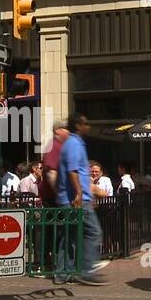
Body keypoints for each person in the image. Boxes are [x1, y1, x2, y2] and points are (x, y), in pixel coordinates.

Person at [55, 113, 108, 286]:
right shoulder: (73, 144)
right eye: (85, 123)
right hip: (75, 200)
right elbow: (73, 171)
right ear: (77, 125)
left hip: (72, 199)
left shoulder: (74, 143)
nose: (88, 126)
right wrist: (79, 194)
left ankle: (63, 273)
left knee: (69, 237)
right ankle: (86, 270)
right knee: (94, 232)